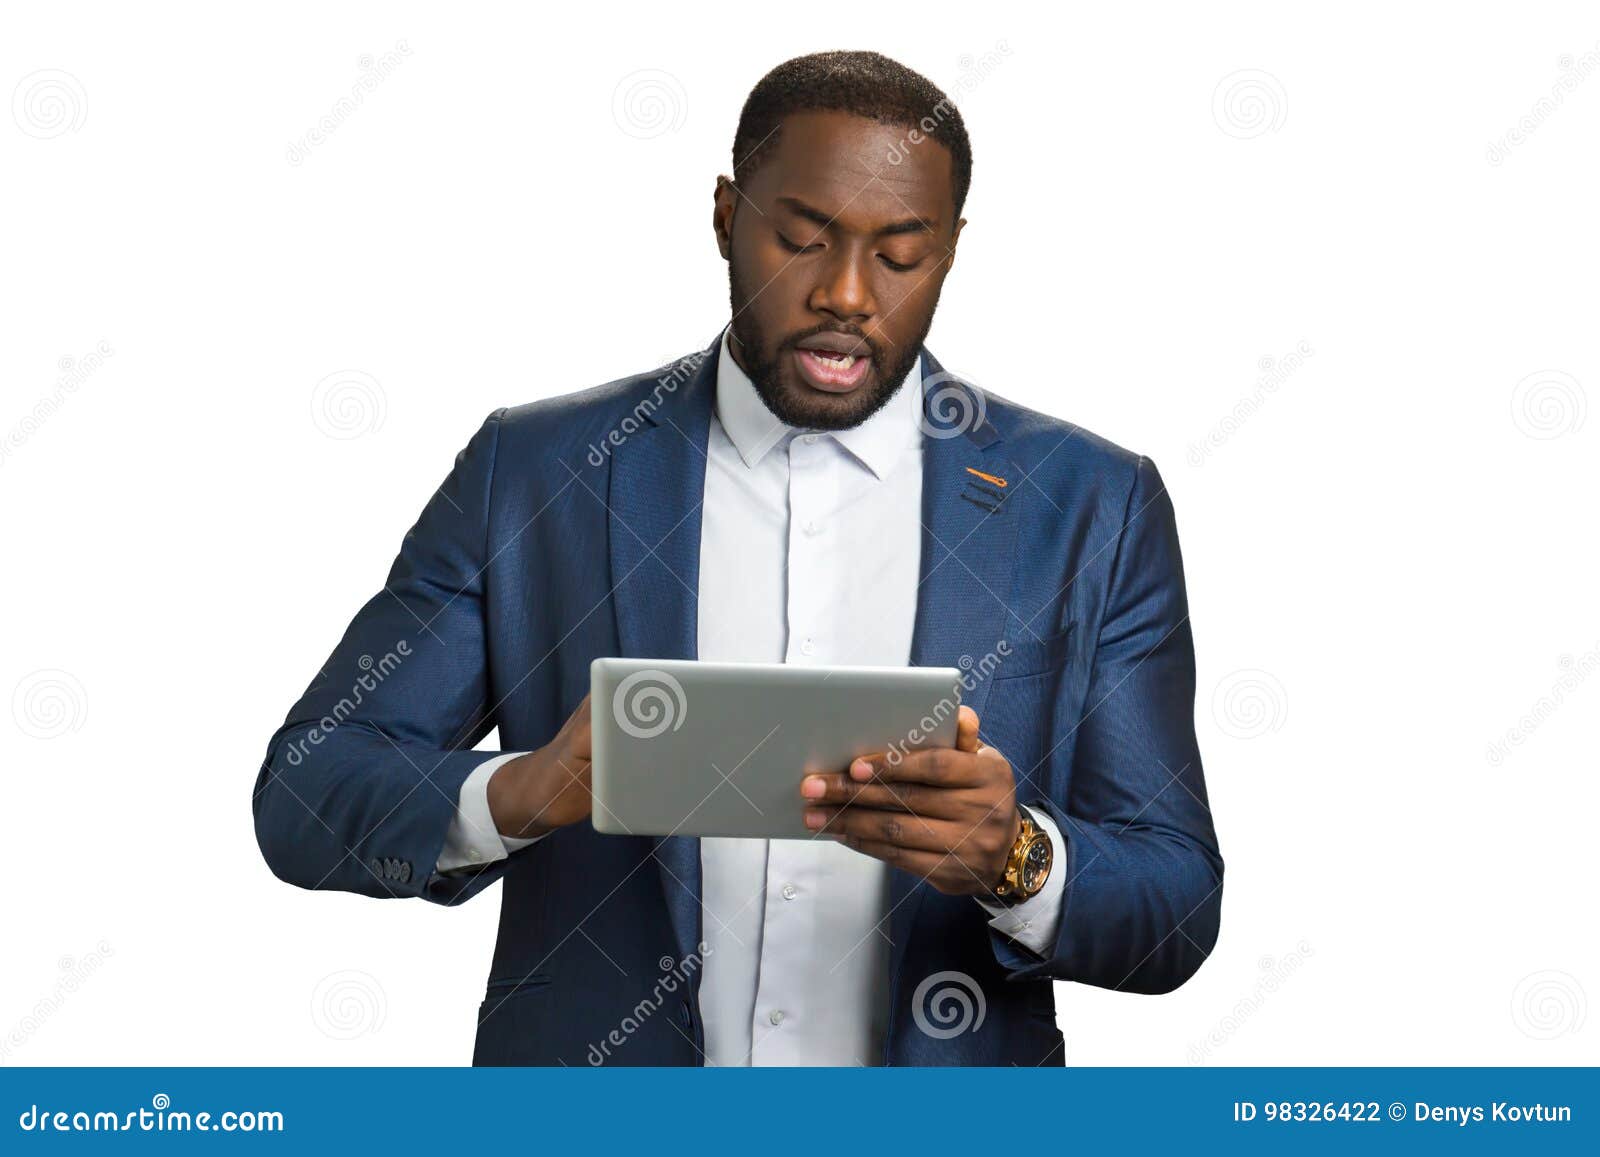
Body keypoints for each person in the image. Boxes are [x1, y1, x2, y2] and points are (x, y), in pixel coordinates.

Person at [253, 50, 1223, 1066]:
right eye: (801, 240)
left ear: (950, 251)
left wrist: (1013, 857)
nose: (846, 293)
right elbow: (304, 793)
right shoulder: (537, 472)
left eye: (901, 255)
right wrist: (520, 793)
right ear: (725, 216)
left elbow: (1176, 904)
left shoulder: (1092, 505)